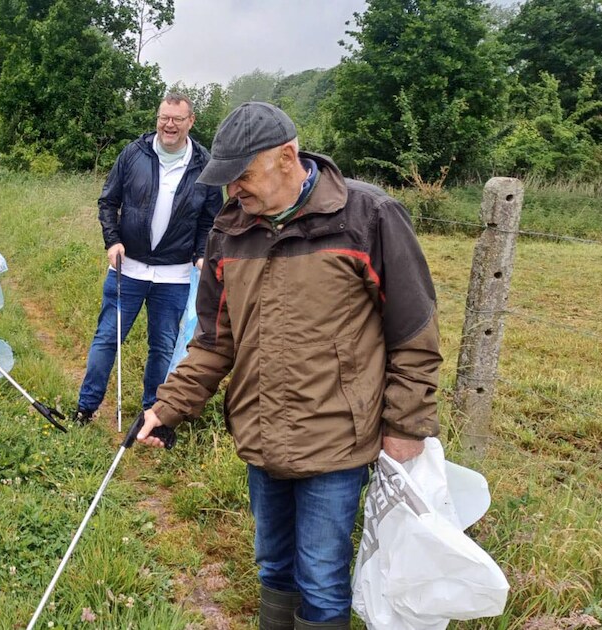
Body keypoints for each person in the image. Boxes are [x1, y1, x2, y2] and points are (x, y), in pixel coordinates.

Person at [134, 102, 442, 629]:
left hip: (336, 439)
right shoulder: (230, 232)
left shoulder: (368, 217)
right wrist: (167, 406)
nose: (233, 193)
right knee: (274, 567)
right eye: (226, 182)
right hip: (260, 433)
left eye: (243, 177)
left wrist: (406, 426)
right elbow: (212, 341)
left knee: (322, 578)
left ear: (286, 156)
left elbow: (414, 334)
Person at [73, 92, 223, 425]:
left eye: (177, 119)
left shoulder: (205, 165)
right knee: (107, 337)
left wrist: (201, 255)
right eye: (163, 118)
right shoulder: (133, 154)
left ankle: (152, 415)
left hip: (176, 275)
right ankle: (86, 407)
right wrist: (112, 242)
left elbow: (210, 220)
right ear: (157, 118)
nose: (169, 125)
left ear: (190, 122)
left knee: (163, 346)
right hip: (128, 268)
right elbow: (107, 203)